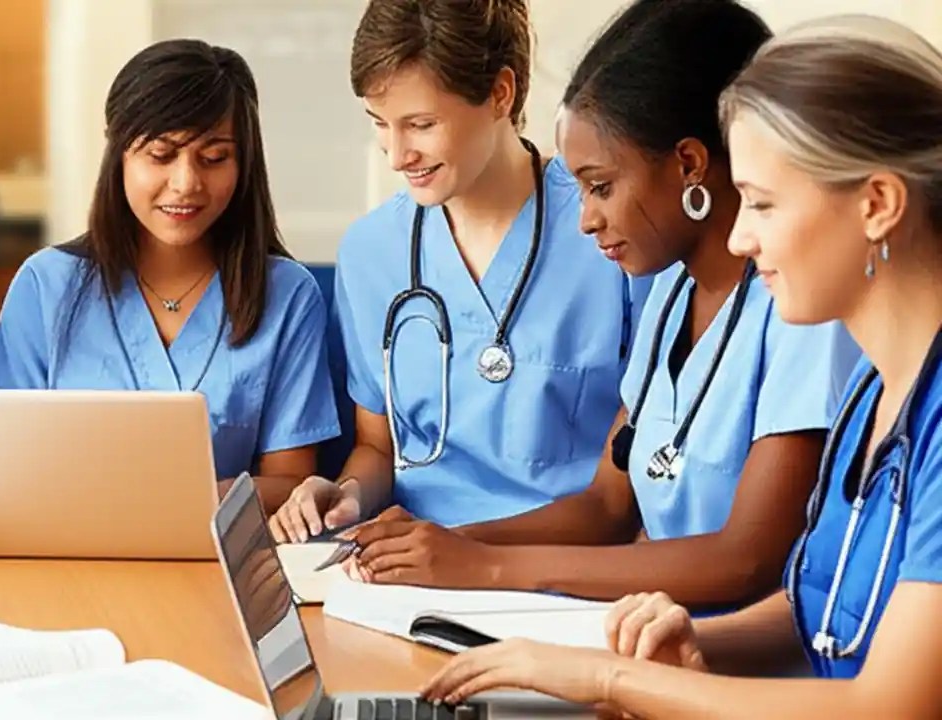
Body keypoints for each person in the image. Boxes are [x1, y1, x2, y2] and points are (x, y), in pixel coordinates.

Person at [418, 15, 942, 716]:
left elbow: (890, 706)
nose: (742, 232)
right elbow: (816, 605)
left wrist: (610, 679)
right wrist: (684, 641)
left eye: (760, 203)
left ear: (877, 204)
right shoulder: (872, 392)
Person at [339, 0, 861, 610]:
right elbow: (607, 507)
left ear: (689, 163)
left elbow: (745, 560)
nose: (583, 218)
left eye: (601, 186)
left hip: (731, 657)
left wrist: (490, 564)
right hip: (643, 631)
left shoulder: (800, 308)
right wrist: (435, 548)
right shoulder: (671, 292)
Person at [268, 0, 649, 541]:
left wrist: (460, 551)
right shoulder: (371, 252)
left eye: (421, 124)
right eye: (380, 124)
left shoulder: (609, 230)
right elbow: (379, 448)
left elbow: (619, 500)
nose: (398, 155)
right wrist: (348, 495)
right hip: (411, 569)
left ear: (501, 93)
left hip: (565, 574)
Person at [0, 39, 340, 513]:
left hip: (210, 556)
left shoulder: (286, 295)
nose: (187, 183)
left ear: (243, 163)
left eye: (213, 157)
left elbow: (290, 480)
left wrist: (186, 504)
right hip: (65, 551)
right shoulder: (47, 285)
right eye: (161, 155)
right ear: (119, 155)